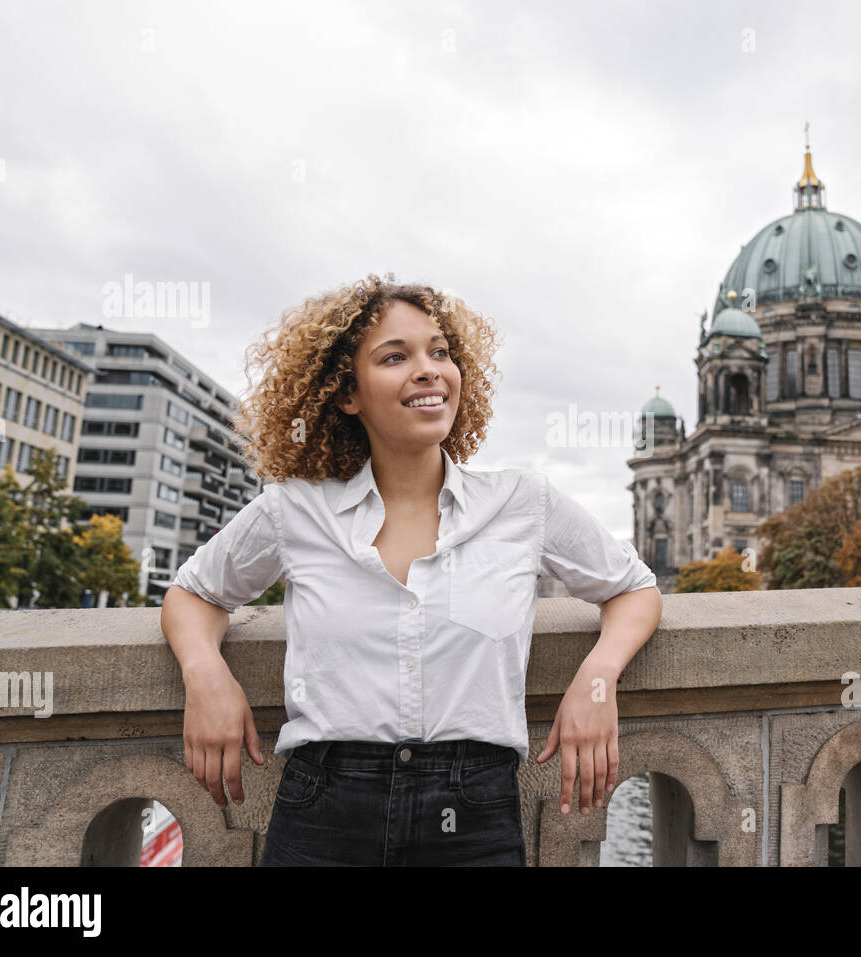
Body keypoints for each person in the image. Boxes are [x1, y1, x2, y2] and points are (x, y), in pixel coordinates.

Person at [159, 274, 663, 866]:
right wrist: (206, 674)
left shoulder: (524, 502)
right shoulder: (295, 509)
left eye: (440, 352)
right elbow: (194, 593)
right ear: (347, 394)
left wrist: (597, 679)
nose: (428, 370)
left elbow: (635, 588)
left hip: (472, 816)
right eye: (395, 357)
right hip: (323, 812)